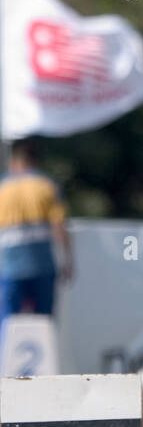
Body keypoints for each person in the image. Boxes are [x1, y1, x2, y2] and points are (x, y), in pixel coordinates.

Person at [0, 138, 74, 331]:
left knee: (8, 322)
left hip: (10, 266)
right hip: (42, 266)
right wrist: (68, 259)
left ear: (15, 161)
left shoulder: (3, 187)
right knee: (44, 323)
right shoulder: (46, 185)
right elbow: (59, 225)